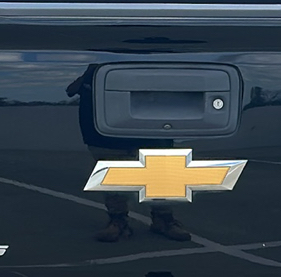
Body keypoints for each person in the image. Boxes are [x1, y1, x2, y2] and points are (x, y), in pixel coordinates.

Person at [67, 66, 191, 243]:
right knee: (114, 179)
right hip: (105, 133)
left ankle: (163, 219)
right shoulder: (96, 68)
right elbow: (71, 90)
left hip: (149, 129)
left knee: (160, 175)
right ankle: (118, 222)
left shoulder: (148, 66)